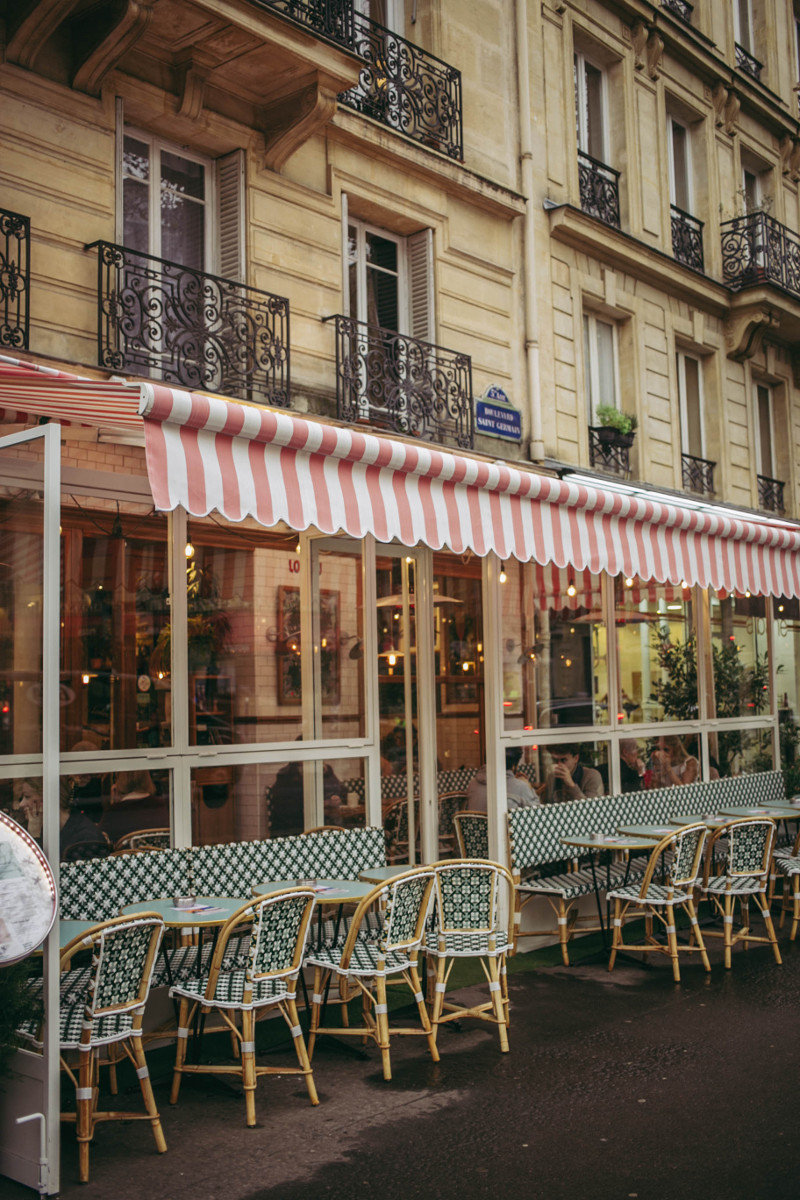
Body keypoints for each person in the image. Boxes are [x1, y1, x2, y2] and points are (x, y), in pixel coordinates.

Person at [100, 770, 166, 846]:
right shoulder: (161, 804)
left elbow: (100, 838)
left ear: (119, 780)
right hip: (160, 852)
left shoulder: (115, 812)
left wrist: (113, 802)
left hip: (127, 853)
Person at [466, 747, 538, 813]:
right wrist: (529, 786)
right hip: (503, 824)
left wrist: (513, 779)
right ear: (513, 766)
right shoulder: (521, 787)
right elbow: (537, 812)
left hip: (478, 823)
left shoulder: (472, 784)